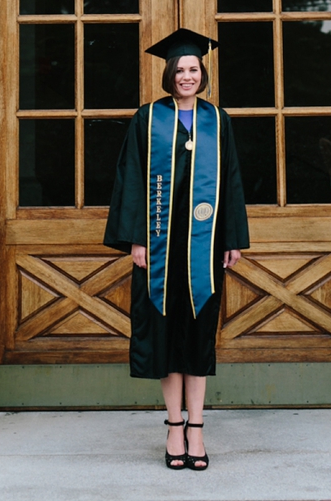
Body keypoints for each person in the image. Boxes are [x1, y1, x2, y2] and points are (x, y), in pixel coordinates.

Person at [104, 28, 250, 471]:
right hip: (160, 248)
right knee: (166, 338)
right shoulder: (148, 119)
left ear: (202, 74)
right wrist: (135, 239)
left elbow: (232, 181)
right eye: (180, 70)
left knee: (197, 337)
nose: (187, 76)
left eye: (194, 69)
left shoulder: (216, 119)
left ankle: (198, 429)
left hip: (203, 252)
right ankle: (173, 427)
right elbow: (129, 179)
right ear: (169, 75)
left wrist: (232, 239)